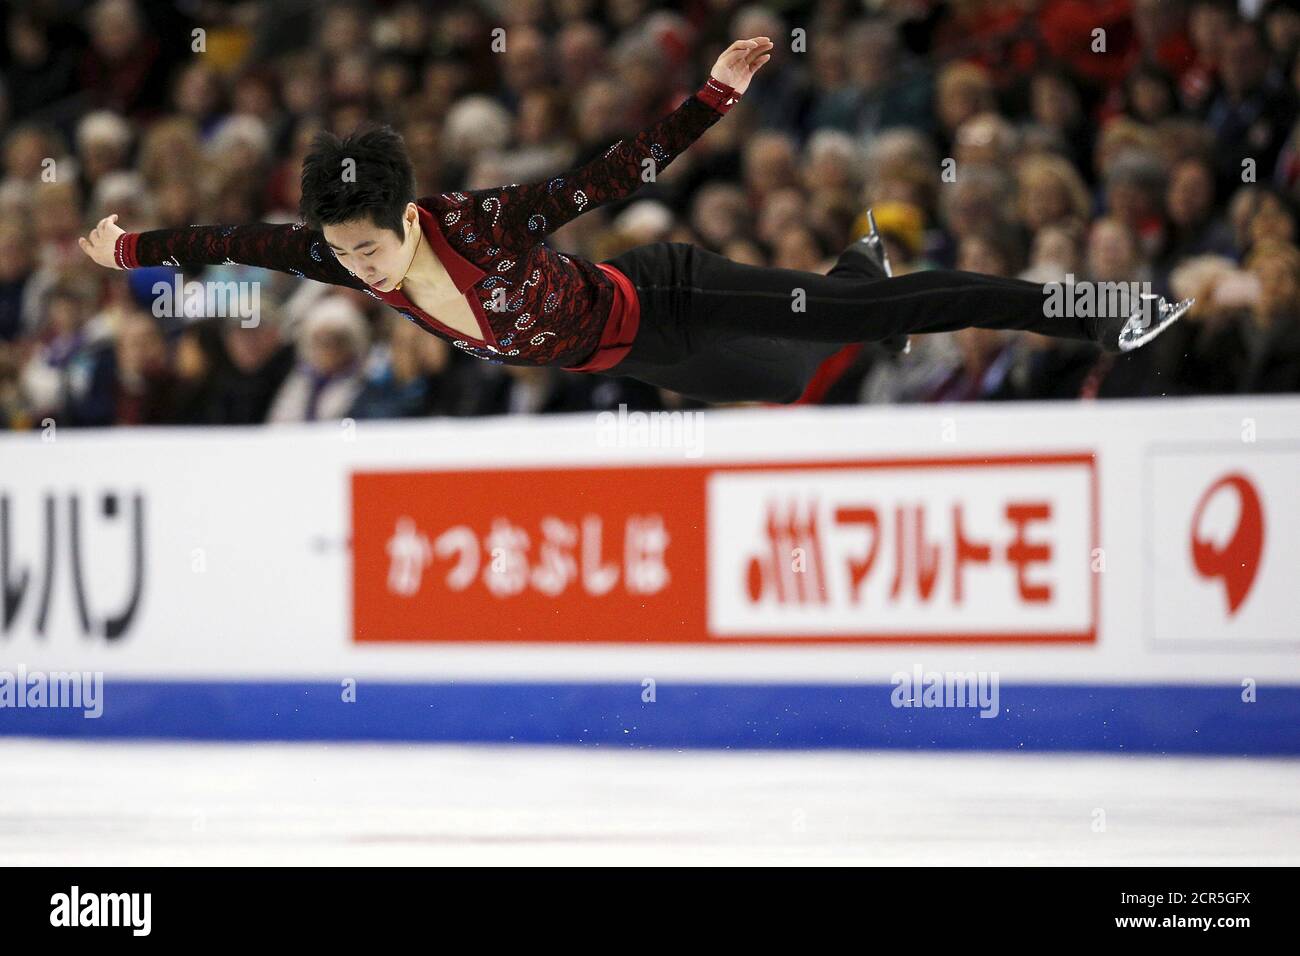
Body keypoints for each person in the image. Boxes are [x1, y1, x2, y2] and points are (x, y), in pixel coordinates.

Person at [79, 37, 1191, 405]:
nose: (357, 267)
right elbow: (219, 240)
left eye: (370, 245)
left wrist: (710, 93)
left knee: (883, 310)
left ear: (408, 213)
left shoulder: (483, 222)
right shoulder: (329, 250)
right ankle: (853, 271)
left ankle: (1100, 311)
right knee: (811, 369)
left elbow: (614, 170)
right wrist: (126, 248)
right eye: (343, 252)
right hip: (632, 357)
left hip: (660, 292)